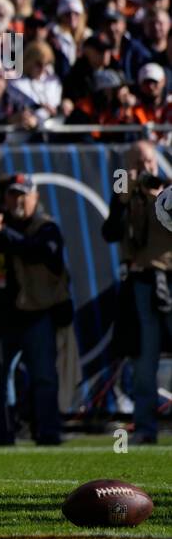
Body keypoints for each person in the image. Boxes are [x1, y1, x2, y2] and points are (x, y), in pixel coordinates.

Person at [0, 175, 71, 446]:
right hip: (4, 317)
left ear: (35, 196)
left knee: (43, 376)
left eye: (24, 194)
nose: (18, 200)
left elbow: (40, 252)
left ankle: (47, 432)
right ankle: (3, 431)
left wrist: (4, 234)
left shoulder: (46, 227)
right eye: (13, 194)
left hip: (37, 312)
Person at [113, 143, 170, 445]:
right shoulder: (126, 194)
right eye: (138, 162)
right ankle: (146, 428)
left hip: (170, 279)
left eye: (149, 160)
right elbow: (110, 231)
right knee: (144, 361)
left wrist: (158, 199)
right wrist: (126, 195)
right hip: (144, 283)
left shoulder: (168, 190)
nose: (146, 167)